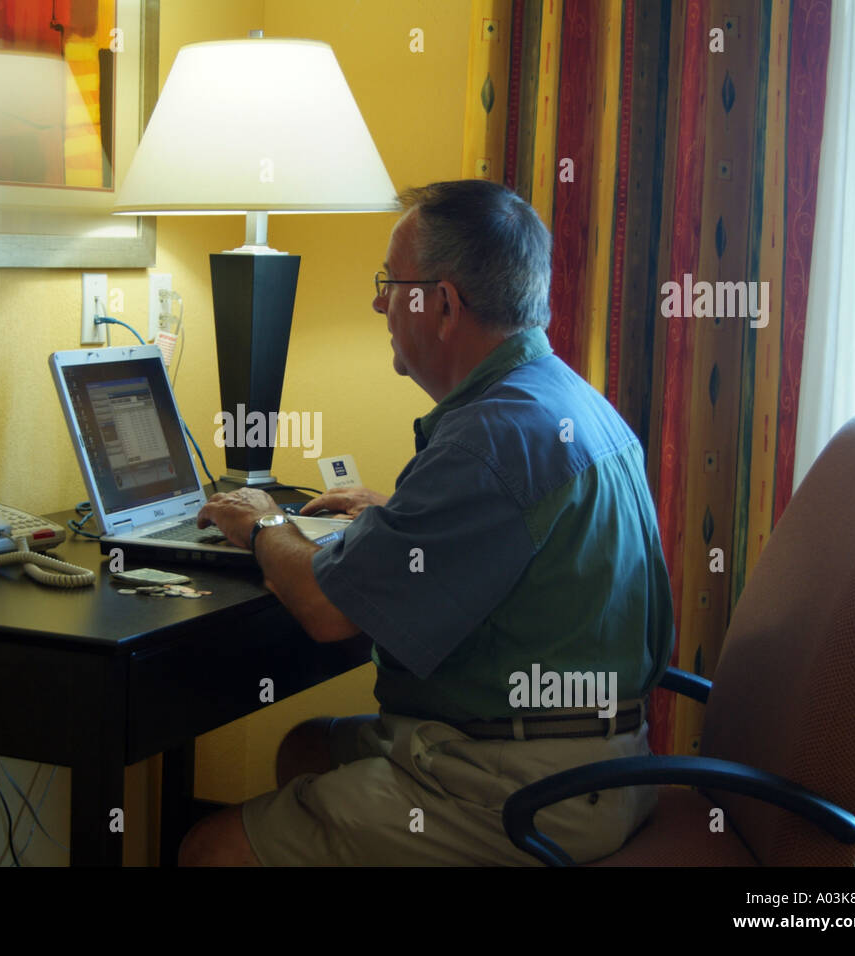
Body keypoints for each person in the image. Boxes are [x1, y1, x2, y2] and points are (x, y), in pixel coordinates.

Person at [181, 180, 674, 866]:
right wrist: (396, 519)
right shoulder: (560, 398)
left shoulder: (490, 438)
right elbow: (510, 541)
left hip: (527, 785)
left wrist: (266, 523)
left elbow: (327, 611)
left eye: (392, 283)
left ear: (442, 304)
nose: (380, 302)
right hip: (607, 760)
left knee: (211, 850)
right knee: (306, 750)